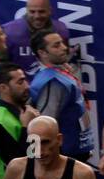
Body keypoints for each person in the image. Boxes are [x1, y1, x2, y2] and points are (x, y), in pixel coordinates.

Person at [29, 31, 94, 163]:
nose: (64, 47)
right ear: (42, 53)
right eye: (56, 45)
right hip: (65, 155)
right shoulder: (52, 82)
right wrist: (39, 160)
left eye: (62, 43)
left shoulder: (59, 73)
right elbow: (44, 124)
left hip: (76, 148)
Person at [3, 0, 69, 77]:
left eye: (41, 11)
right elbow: (0, 66)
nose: (37, 16)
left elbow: (64, 59)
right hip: (21, 87)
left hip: (53, 84)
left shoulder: (61, 30)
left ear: (49, 11)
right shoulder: (9, 32)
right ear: (26, 10)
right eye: (32, 12)